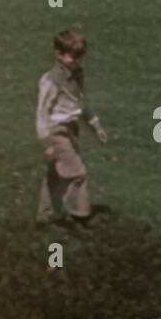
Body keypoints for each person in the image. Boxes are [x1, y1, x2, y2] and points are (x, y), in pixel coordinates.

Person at [35, 29, 108, 228]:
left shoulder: (76, 76)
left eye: (79, 57)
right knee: (77, 173)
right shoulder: (50, 81)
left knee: (55, 173)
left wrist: (95, 125)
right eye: (71, 56)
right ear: (58, 54)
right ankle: (79, 214)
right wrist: (47, 142)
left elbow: (80, 103)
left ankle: (46, 214)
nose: (75, 61)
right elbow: (42, 113)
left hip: (70, 129)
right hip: (55, 131)